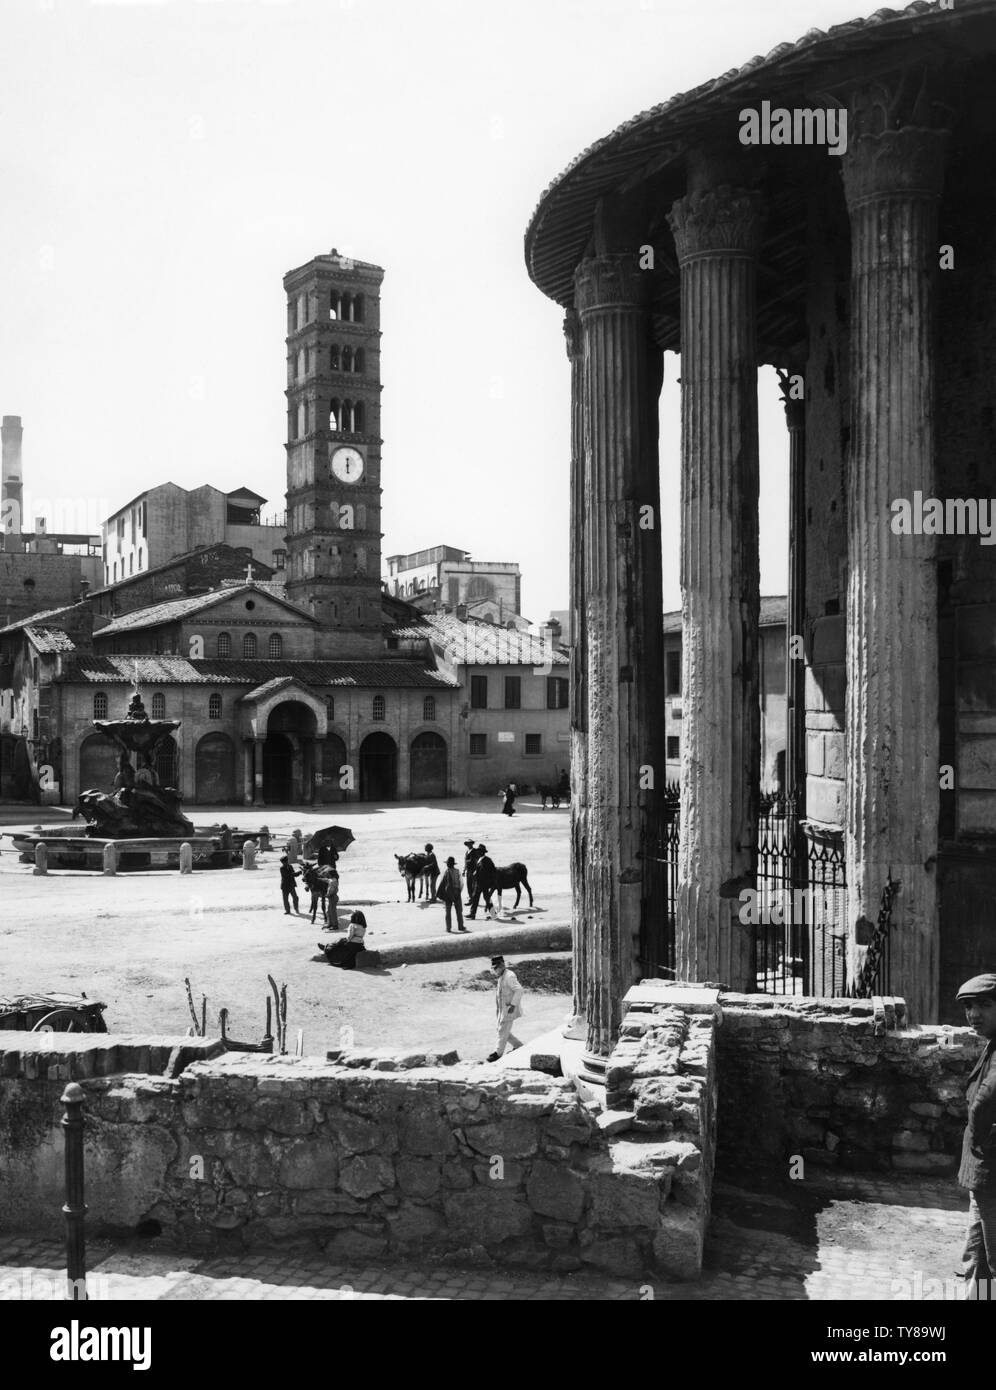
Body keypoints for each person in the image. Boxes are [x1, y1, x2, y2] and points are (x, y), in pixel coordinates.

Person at [956, 973, 996, 1300]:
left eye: (984, 1004)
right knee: (977, 1256)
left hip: (992, 1172)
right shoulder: (991, 1046)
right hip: (983, 1173)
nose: (974, 1014)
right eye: (969, 1006)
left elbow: (982, 1105)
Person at [486, 955, 524, 1061]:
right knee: (502, 1030)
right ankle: (519, 1046)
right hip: (502, 1009)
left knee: (502, 1030)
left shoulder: (509, 976)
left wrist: (513, 1005)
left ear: (502, 966)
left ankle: (498, 1053)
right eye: (493, 968)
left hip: (509, 1009)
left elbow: (519, 990)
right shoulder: (502, 976)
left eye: (496, 968)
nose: (494, 970)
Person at [438, 856, 466, 933]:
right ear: (453, 864)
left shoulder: (446, 872)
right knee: (459, 910)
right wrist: (459, 891)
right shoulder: (458, 871)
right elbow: (462, 883)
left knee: (448, 911)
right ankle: (461, 926)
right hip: (457, 891)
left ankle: (448, 928)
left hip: (448, 893)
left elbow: (443, 884)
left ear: (448, 864)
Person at [467, 844, 495, 920]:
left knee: (477, 898)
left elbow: (486, 872)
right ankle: (492, 913)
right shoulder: (483, 859)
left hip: (481, 883)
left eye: (479, 851)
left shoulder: (485, 860)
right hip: (481, 883)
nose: (477, 853)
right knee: (484, 898)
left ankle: (473, 914)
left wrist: (476, 873)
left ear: (482, 852)